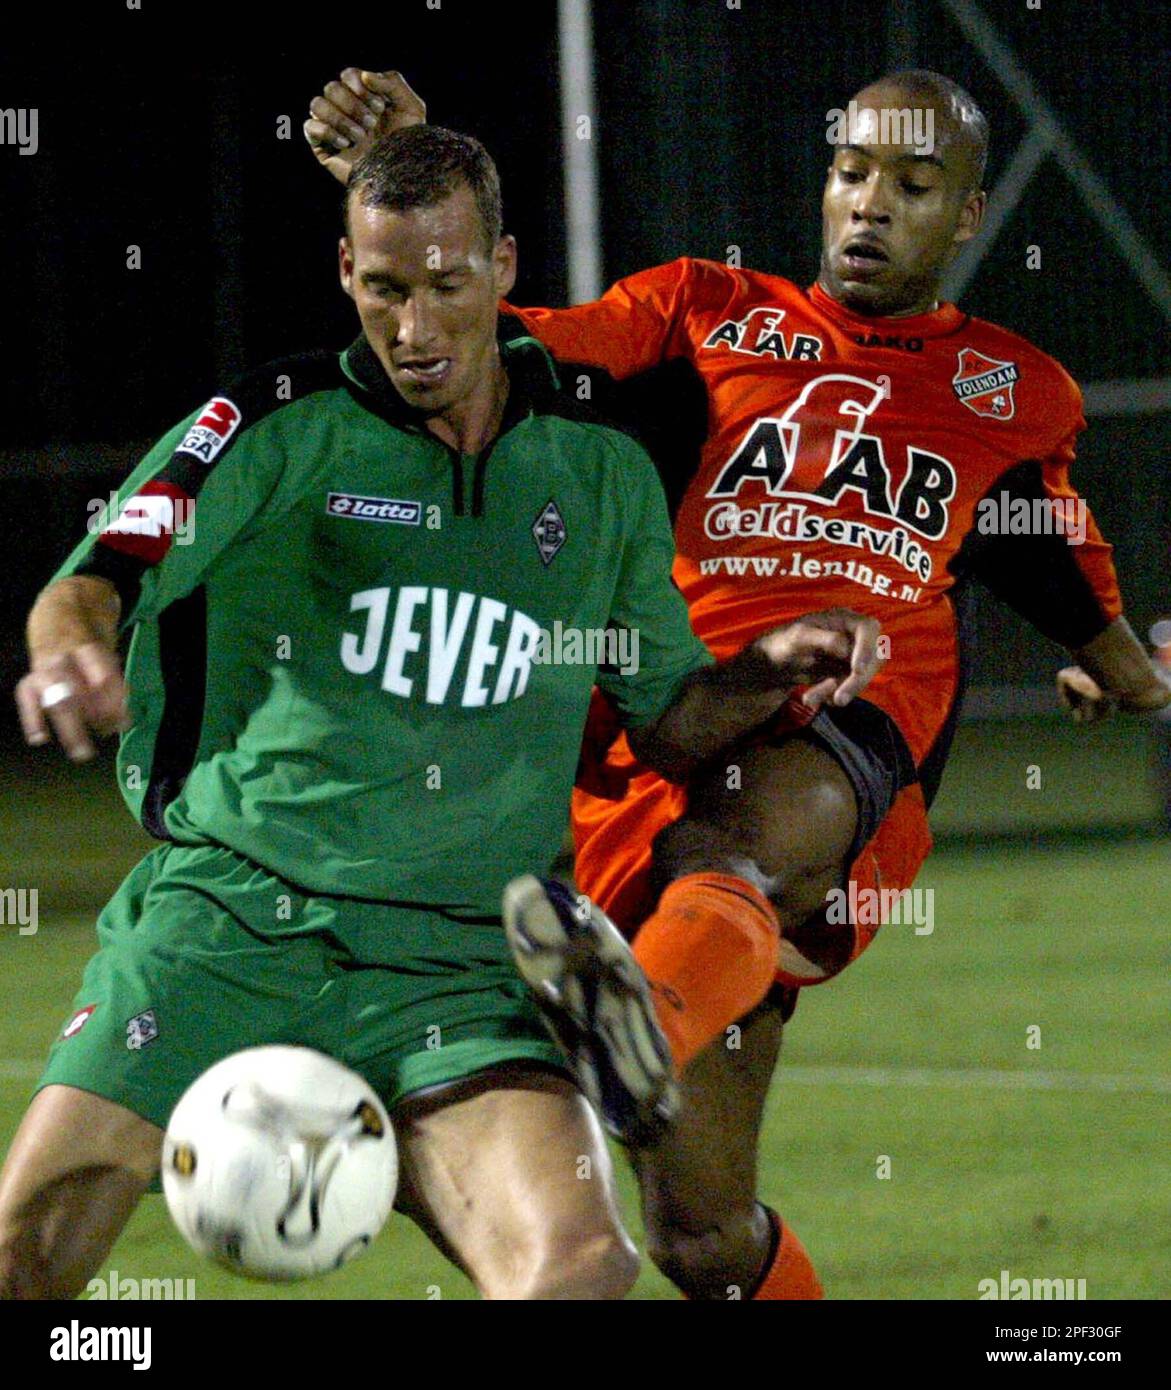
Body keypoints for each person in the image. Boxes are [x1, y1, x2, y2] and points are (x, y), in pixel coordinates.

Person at [305, 67, 1171, 1301]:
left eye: (914, 185)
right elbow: (492, 353)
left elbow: (1102, 630)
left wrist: (1130, 672)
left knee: (758, 824)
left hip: (847, 739)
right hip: (656, 723)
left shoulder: (1012, 393)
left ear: (967, 214)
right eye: (853, 171)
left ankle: (630, 1033)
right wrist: (413, 197)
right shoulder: (705, 311)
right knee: (702, 1237)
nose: (871, 204)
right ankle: (642, 1020)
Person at [1, 123, 881, 1300]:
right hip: (228, 921)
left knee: (577, 1265)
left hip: (464, 957)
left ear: (505, 269)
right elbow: (97, 574)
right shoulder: (277, 425)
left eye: (444, 287)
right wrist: (66, 657)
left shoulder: (599, 469)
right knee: (17, 1259)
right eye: (382, 289)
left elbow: (667, 714)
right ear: (345, 274)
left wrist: (768, 665)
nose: (413, 330)